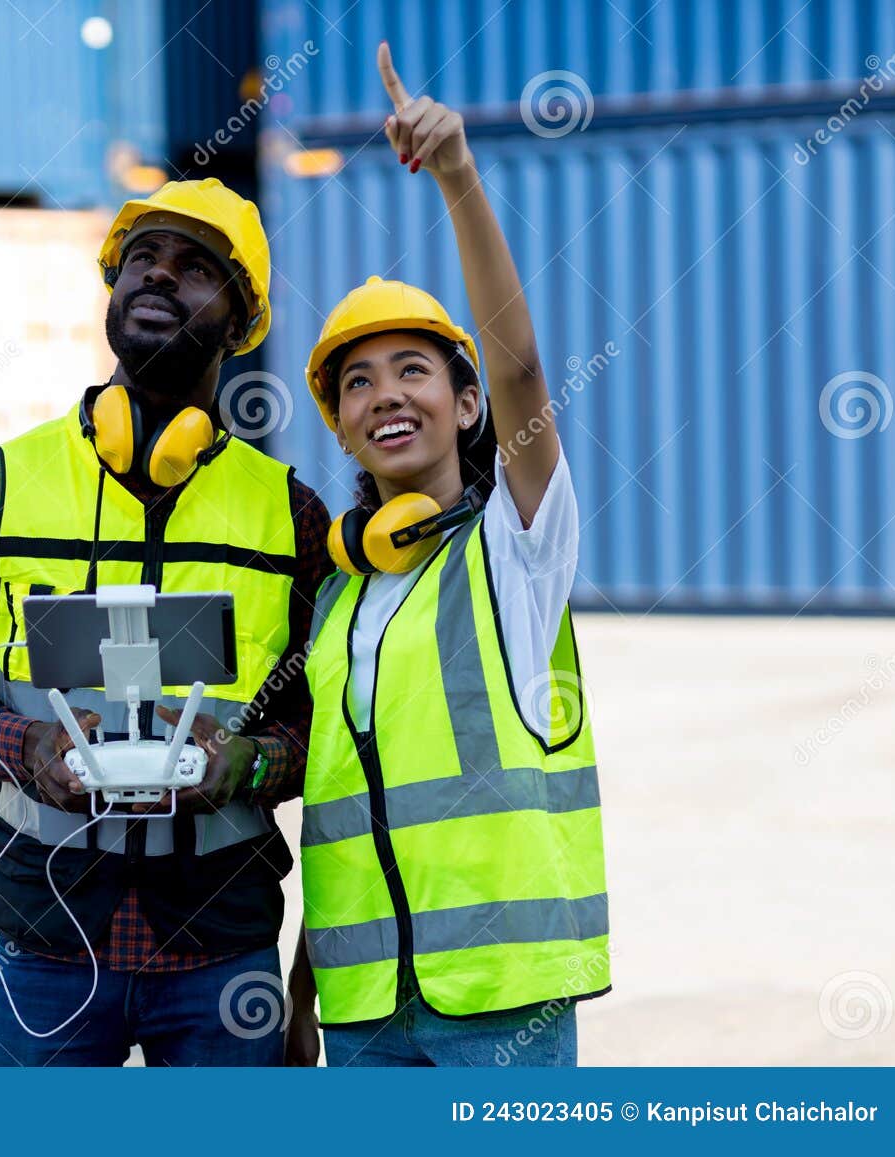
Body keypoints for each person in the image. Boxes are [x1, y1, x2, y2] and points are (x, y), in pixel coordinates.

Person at [0, 178, 331, 1067]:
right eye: (143, 258)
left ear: (243, 318)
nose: (161, 277)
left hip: (222, 949)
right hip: (46, 943)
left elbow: (324, 718)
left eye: (197, 266)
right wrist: (24, 748)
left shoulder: (291, 516)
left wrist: (247, 760)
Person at [283, 44, 610, 1068]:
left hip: (498, 1003)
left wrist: (460, 180)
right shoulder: (340, 598)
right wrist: (301, 993)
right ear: (339, 427)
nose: (386, 394)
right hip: (365, 1007)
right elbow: (346, 806)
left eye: (413, 369)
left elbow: (517, 366)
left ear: (464, 405)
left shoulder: (512, 549)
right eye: (357, 383)